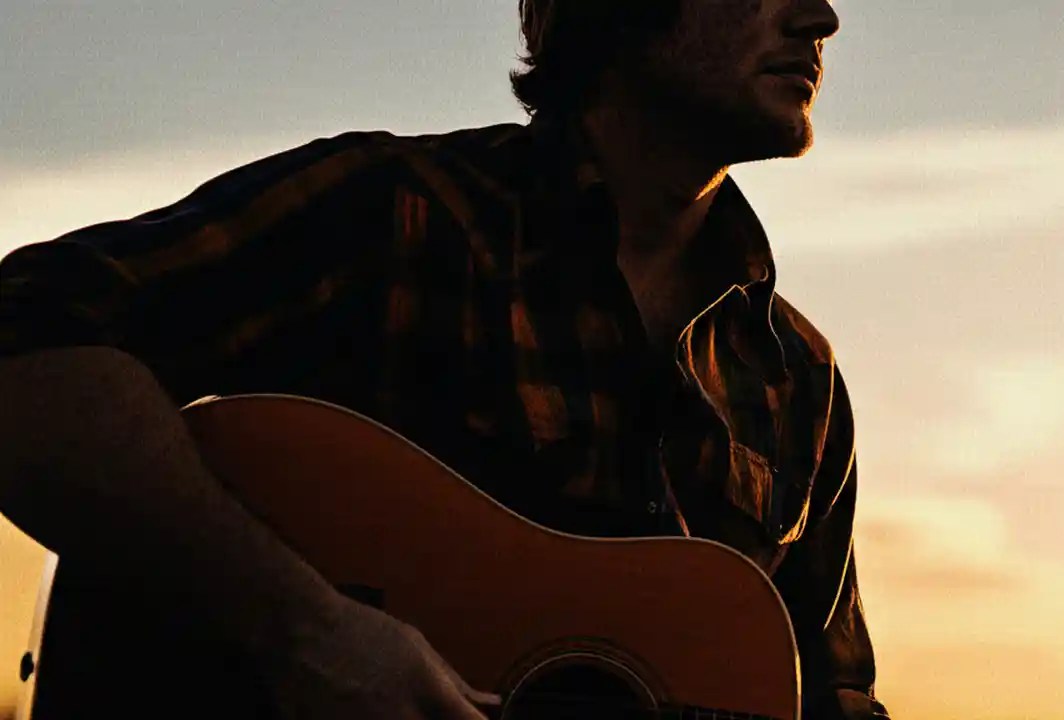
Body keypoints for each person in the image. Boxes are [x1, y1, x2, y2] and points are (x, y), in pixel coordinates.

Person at [0, 0, 890, 718]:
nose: (822, 18)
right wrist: (301, 632)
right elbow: (24, 337)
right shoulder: (395, 221)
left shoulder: (795, 380)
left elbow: (831, 690)